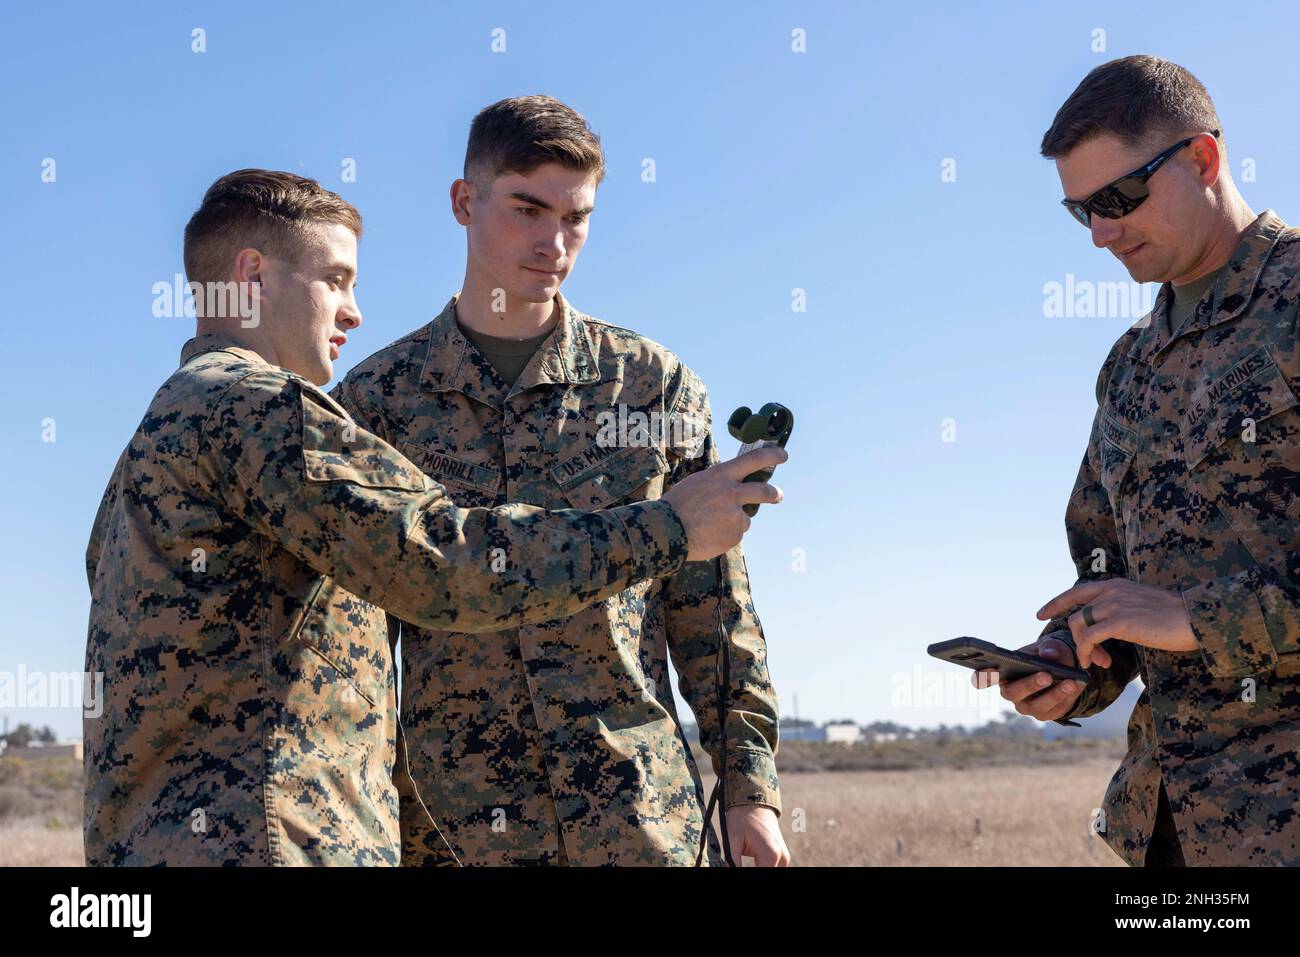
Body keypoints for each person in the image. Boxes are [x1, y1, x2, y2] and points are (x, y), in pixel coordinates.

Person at [83, 168, 786, 866]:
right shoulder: (266, 410)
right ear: (253, 274)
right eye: (336, 279)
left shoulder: (147, 447)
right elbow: (440, 560)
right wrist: (666, 527)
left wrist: (749, 782)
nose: (354, 310)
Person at [335, 96, 788, 866]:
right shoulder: (376, 405)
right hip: (454, 831)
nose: (554, 242)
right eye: (527, 208)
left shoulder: (653, 388)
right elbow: (356, 644)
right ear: (463, 202)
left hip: (640, 820)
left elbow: (712, 611)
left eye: (575, 217)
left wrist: (751, 792)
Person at [979, 55, 1300, 866]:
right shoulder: (1129, 367)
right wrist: (1068, 662)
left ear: (1202, 160)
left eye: (1119, 198)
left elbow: (1177, 616)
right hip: (1170, 830)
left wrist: (1199, 620)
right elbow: (1111, 580)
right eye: (1080, 210)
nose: (1101, 233)